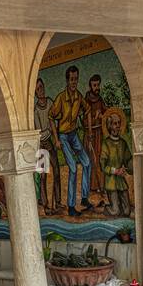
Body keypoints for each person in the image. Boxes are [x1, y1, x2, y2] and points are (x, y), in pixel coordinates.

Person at [50, 65, 93, 216]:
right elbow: (51, 117)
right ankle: (71, 206)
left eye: (76, 79)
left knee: (87, 162)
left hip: (74, 135)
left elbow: (87, 110)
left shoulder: (79, 96)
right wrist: (56, 140)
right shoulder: (61, 98)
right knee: (73, 168)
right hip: (63, 136)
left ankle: (85, 198)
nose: (74, 82)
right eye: (72, 79)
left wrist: (89, 132)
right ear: (67, 81)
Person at [100, 109, 134, 217]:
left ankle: (119, 205)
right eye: (115, 123)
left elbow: (128, 159)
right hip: (111, 182)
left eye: (119, 123)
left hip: (121, 181)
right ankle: (105, 207)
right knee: (115, 212)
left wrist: (131, 166)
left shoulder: (123, 143)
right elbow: (103, 166)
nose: (118, 126)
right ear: (109, 126)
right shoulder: (106, 143)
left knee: (127, 212)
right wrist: (115, 171)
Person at [34, 77, 60, 213]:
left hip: (51, 141)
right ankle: (45, 204)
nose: (41, 90)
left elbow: (55, 117)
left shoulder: (50, 102)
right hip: (41, 144)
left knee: (56, 169)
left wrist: (54, 132)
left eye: (42, 86)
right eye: (38, 89)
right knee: (42, 175)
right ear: (35, 93)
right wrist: (50, 130)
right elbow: (39, 133)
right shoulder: (36, 111)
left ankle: (58, 202)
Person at [84, 73, 107, 201]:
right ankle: (93, 187)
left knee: (99, 158)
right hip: (90, 134)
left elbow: (106, 112)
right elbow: (84, 120)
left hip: (99, 133)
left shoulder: (100, 99)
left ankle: (99, 185)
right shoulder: (87, 100)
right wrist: (94, 118)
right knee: (91, 160)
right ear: (90, 86)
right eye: (94, 85)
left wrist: (102, 116)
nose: (97, 87)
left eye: (98, 85)